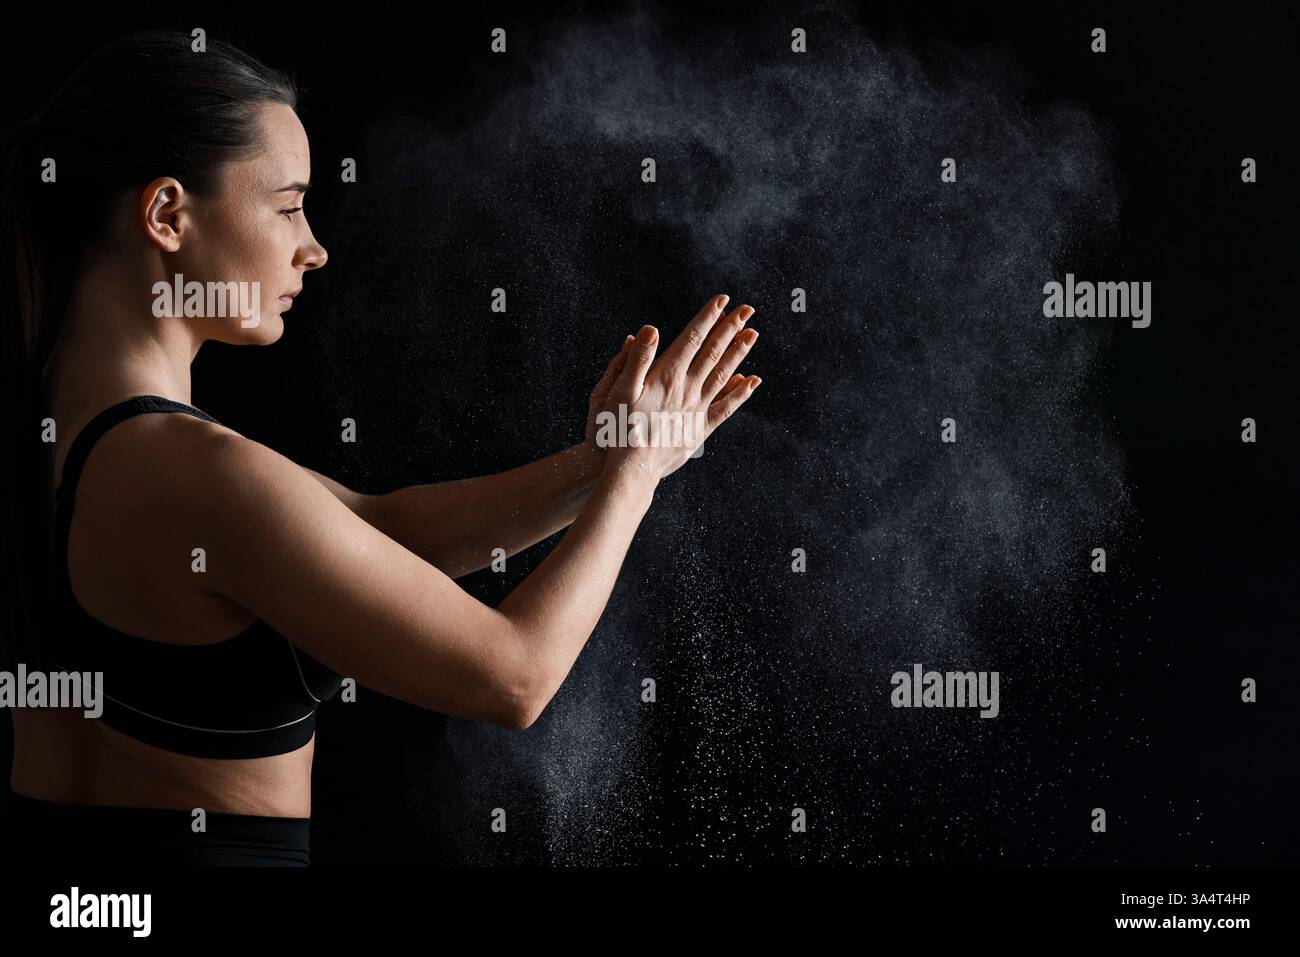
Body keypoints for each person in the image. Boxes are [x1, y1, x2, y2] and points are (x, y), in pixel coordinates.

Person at [0, 29, 762, 866]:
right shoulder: (199, 473)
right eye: (288, 205)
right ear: (168, 215)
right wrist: (635, 478)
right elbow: (513, 677)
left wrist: (602, 459)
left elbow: (378, 530)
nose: (313, 247)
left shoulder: (77, 438)